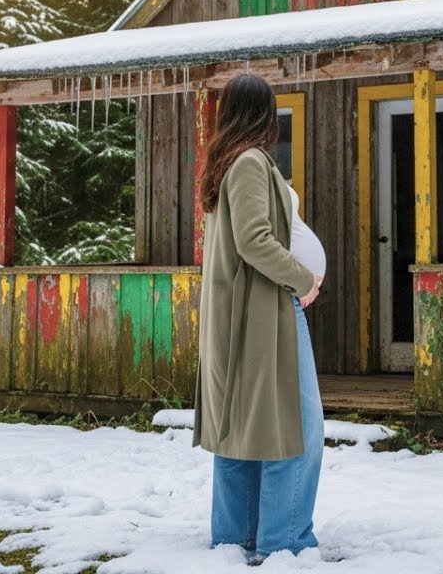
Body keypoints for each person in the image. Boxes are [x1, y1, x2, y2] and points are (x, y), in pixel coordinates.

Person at [192, 73, 327, 565]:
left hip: (240, 317)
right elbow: (254, 240)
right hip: (265, 313)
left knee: (242, 429)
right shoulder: (250, 162)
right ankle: (284, 541)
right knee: (298, 427)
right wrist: (303, 278)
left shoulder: (225, 162)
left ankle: (236, 540)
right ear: (264, 115)